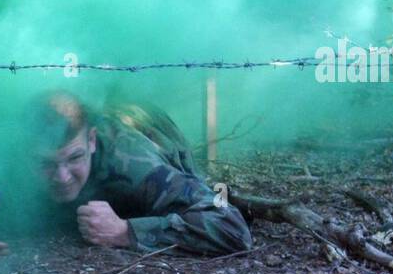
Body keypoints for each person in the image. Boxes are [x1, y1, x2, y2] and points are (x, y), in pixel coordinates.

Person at [32, 92, 251, 256]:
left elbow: (231, 227)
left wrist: (125, 232)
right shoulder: (12, 158)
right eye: (46, 163)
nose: (62, 177)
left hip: (150, 127)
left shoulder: (136, 166)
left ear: (91, 141)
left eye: (74, 159)